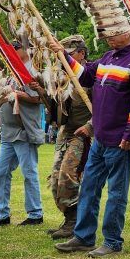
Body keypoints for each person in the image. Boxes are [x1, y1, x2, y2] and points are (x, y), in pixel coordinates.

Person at [52, 19, 130, 259]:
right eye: (106, 35)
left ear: (126, 33)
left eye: (112, 34)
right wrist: (64, 55)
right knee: (89, 187)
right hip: (99, 137)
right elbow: (85, 76)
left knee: (116, 193)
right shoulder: (107, 57)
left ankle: (112, 242)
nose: (107, 38)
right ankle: (84, 237)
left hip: (119, 140)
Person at [0, 42, 47, 227]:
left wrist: (18, 94)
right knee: (1, 171)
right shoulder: (12, 71)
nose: (11, 52)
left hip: (24, 131)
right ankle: (0, 215)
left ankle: (35, 214)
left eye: (15, 48)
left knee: (29, 172)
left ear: (25, 49)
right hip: (9, 132)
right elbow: (10, 102)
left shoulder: (32, 70)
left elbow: (40, 99)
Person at [43, 35, 94, 240]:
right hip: (65, 132)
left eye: (68, 54)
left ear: (81, 54)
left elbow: (104, 107)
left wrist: (90, 126)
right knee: (56, 179)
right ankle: (69, 219)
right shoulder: (61, 78)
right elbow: (56, 109)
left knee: (68, 175)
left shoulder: (91, 76)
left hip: (83, 134)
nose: (63, 58)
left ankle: (75, 223)